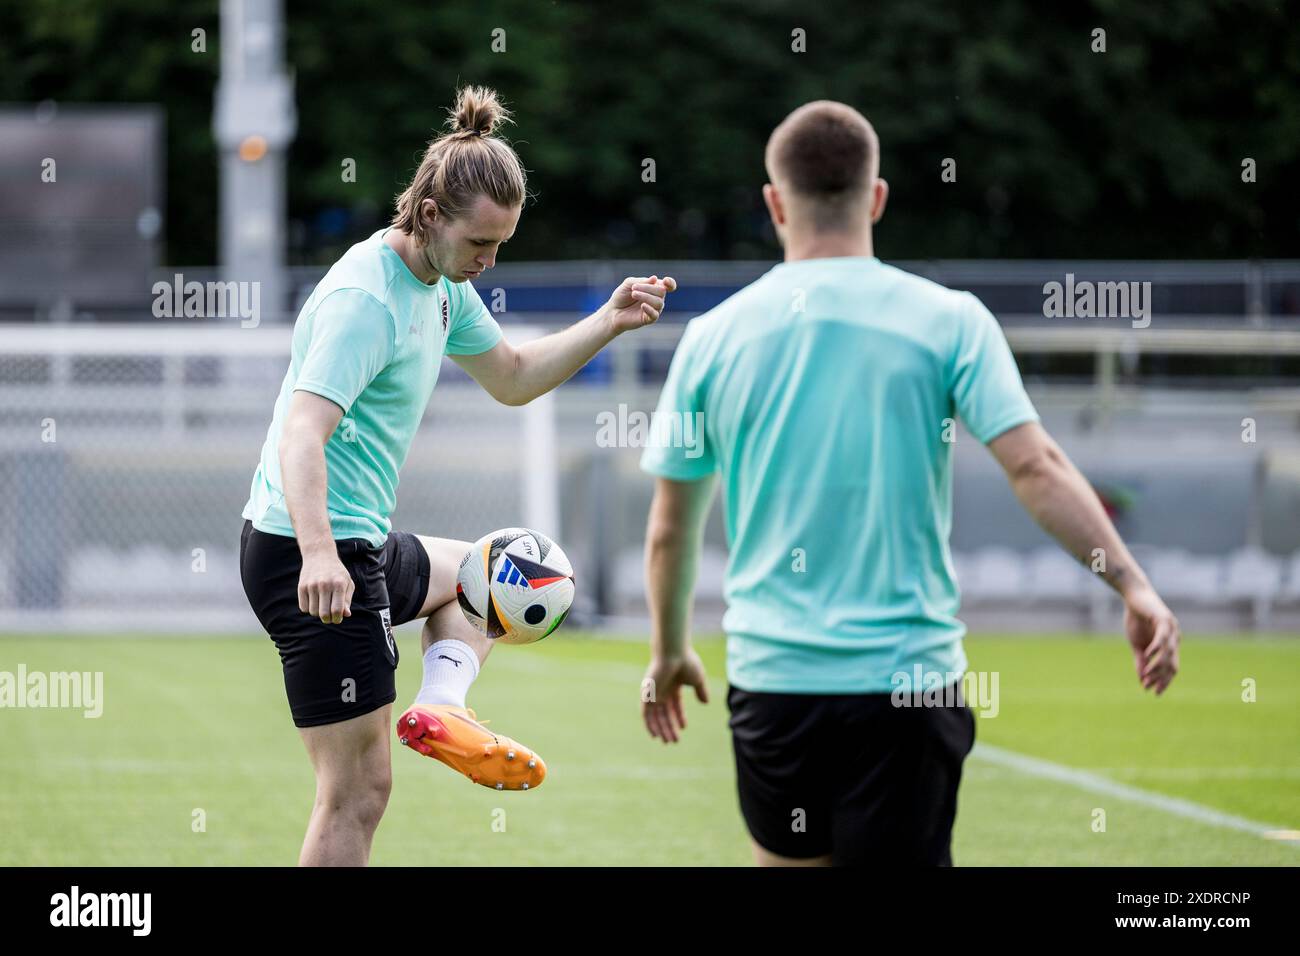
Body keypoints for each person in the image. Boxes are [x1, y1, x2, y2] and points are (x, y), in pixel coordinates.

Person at [637, 100, 1179, 867]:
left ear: (773, 203)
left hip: (774, 681)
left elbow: (670, 527)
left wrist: (667, 652)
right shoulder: (951, 320)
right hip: (909, 683)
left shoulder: (712, 337)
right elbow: (1037, 466)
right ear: (878, 197)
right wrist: (1133, 586)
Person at [239, 85, 676, 866]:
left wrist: (608, 320)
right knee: (357, 793)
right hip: (304, 552)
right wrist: (317, 555)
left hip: (355, 542)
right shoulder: (365, 299)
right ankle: (433, 710)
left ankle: (441, 709)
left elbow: (510, 376)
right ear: (432, 216)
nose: (490, 261)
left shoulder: (442, 287)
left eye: (502, 244)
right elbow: (302, 433)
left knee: (496, 571)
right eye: (482, 243)